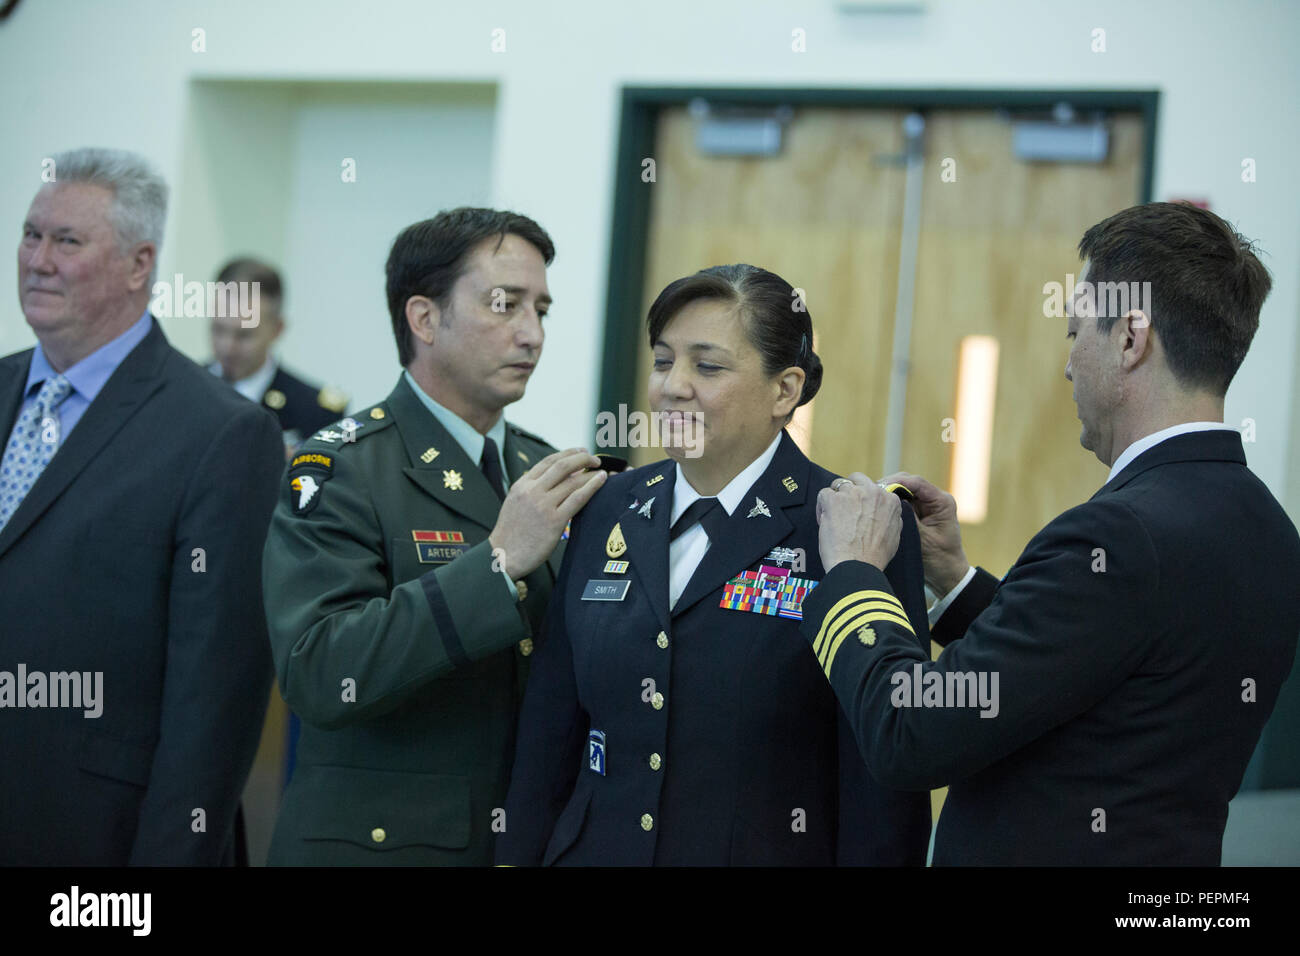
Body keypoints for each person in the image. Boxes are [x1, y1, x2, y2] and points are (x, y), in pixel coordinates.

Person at [801, 202, 1300, 865]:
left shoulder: (1119, 534)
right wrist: (956, 584)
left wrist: (855, 574)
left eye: (1075, 334)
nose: (1068, 366)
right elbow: (1098, 666)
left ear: (1130, 338)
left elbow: (911, 733)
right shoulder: (1265, 526)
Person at [496, 264, 932, 866]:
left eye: (707, 366)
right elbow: (551, 728)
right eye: (662, 360)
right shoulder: (607, 507)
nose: (673, 386)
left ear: (784, 390)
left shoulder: (852, 525)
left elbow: (878, 777)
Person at [262, 207, 606, 865]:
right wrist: (496, 567)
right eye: (505, 305)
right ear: (424, 319)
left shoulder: (545, 471)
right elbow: (320, 671)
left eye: (542, 310)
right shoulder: (341, 466)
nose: (532, 334)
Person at [0, 147, 282, 865]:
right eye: (32, 234)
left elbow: (212, 702)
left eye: (67, 241)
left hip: (95, 841)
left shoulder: (220, 434)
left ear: (138, 264)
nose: (38, 259)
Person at [207, 257, 348, 462]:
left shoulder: (317, 412)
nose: (228, 347)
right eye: (218, 330)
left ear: (277, 329)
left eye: (244, 335)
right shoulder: (180, 387)